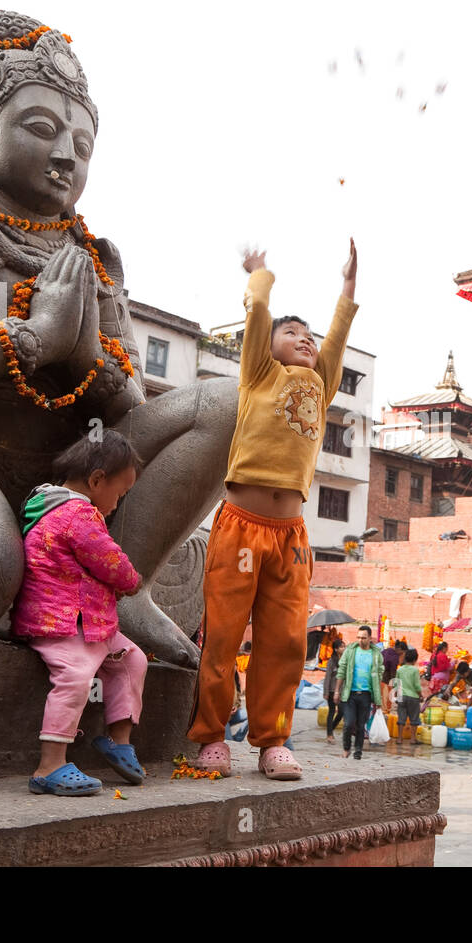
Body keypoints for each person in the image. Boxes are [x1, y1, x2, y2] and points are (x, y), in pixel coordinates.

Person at [190, 240, 360, 782]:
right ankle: (212, 737)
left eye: (308, 336)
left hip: (290, 535)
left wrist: (348, 287)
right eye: (292, 333)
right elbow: (258, 313)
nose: (305, 340)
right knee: (222, 636)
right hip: (240, 528)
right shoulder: (259, 374)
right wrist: (260, 274)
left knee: (285, 641)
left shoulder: (320, 386)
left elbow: (337, 337)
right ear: (267, 347)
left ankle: (272, 742)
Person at [15, 432, 148, 797]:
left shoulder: (51, 507)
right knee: (75, 676)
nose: (117, 503)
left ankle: (119, 742)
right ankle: (50, 765)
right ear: (97, 480)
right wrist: (131, 580)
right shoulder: (78, 513)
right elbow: (108, 558)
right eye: (120, 493)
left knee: (132, 660)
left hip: (88, 622)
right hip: (61, 621)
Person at [334, 626, 383, 759]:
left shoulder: (376, 655)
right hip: (350, 694)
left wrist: (378, 699)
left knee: (361, 725)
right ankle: (346, 748)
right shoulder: (350, 651)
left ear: (370, 638)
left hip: (366, 695)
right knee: (348, 723)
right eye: (359, 637)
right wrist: (337, 691)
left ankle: (358, 751)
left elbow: (379, 676)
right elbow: (341, 671)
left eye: (364, 638)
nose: (360, 640)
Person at [395, 648, 423, 743]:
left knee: (401, 717)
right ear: (415, 660)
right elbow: (417, 685)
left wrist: (396, 695)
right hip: (413, 697)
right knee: (414, 718)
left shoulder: (400, 669)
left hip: (401, 696)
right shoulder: (415, 670)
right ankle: (413, 738)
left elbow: (396, 684)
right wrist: (420, 695)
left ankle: (399, 738)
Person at [321, 636, 346, 743]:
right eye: (341, 647)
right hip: (331, 690)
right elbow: (327, 677)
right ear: (336, 649)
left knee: (341, 712)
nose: (344, 648)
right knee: (331, 711)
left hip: (342, 691)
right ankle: (329, 734)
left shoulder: (345, 661)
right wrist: (325, 692)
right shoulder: (331, 661)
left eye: (344, 646)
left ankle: (331, 728)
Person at [381, 638, 406, 714]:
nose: (403, 655)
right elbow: (393, 675)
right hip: (385, 681)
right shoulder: (394, 657)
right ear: (400, 649)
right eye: (403, 653)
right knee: (385, 704)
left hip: (379, 678)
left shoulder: (386, 651)